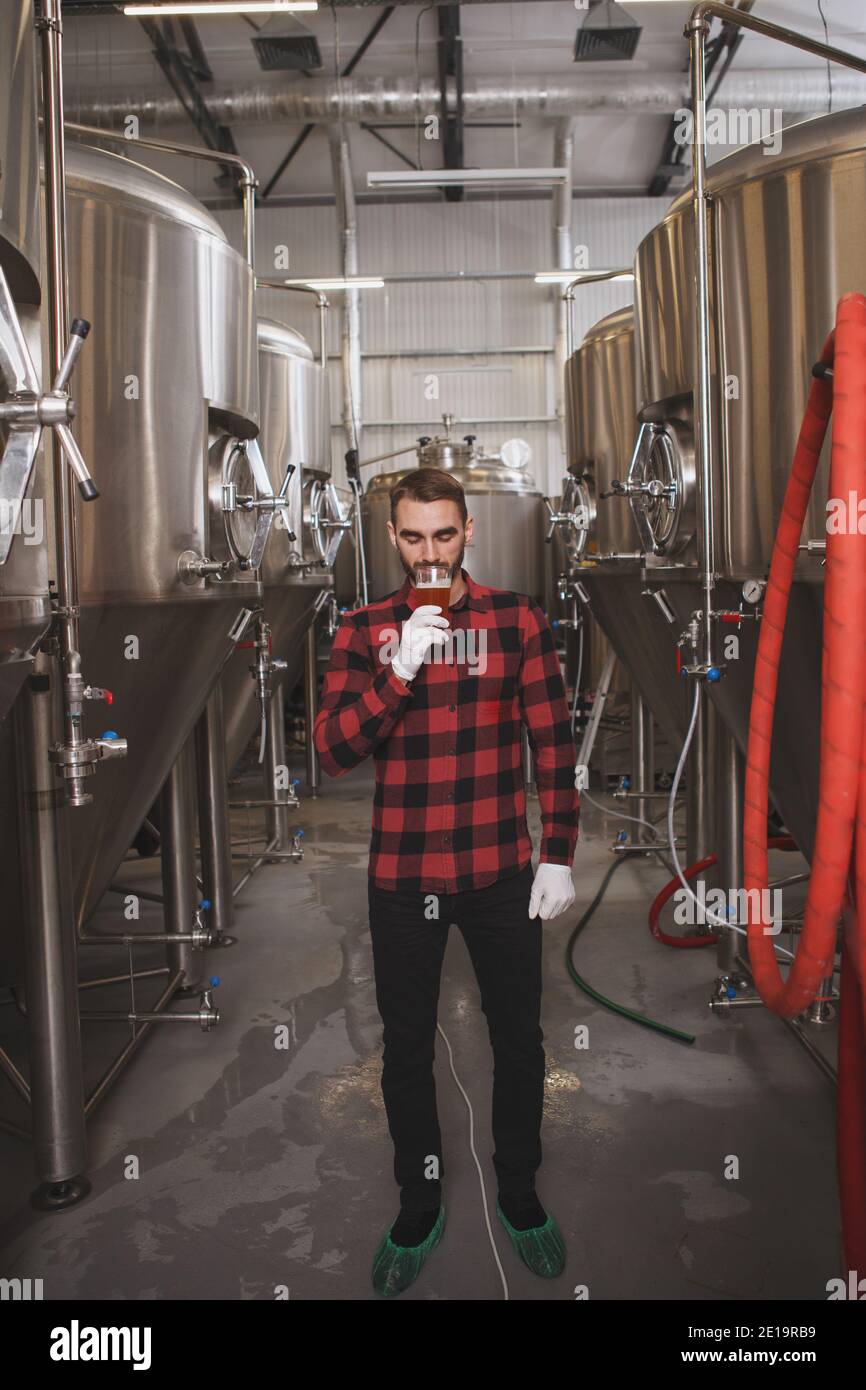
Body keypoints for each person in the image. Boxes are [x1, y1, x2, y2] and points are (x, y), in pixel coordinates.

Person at [313, 465, 580, 1297]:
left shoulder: (517, 620)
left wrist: (559, 851)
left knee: (519, 1040)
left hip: (500, 870)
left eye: (446, 535)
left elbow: (553, 744)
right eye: (413, 537)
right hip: (403, 872)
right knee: (403, 1049)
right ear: (393, 538)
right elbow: (331, 752)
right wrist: (400, 674)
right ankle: (419, 1203)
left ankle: (521, 1191)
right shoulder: (363, 629)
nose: (431, 553)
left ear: (469, 533)